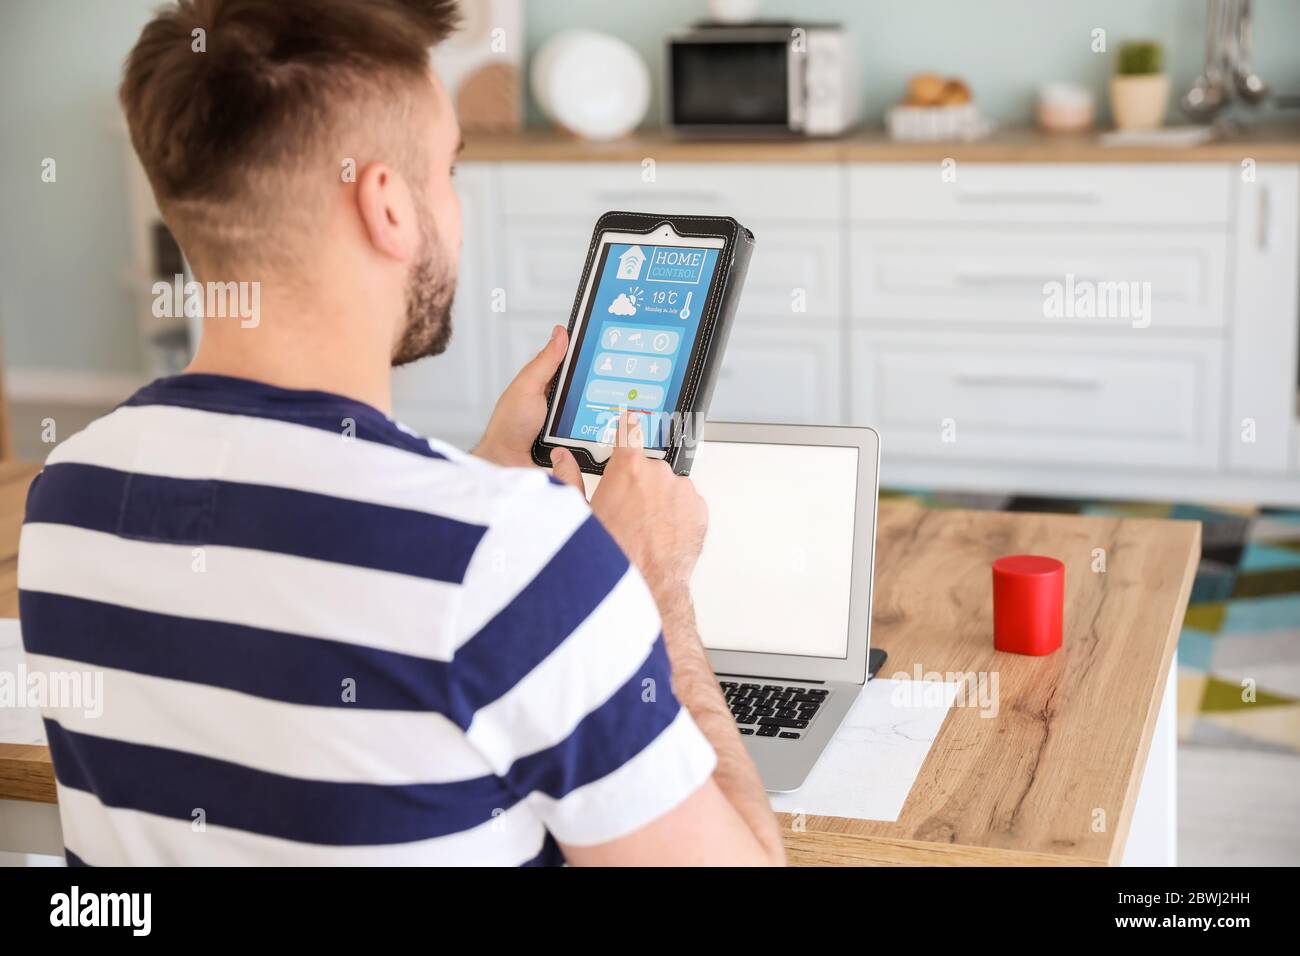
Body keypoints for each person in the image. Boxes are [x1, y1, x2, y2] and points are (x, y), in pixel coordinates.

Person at [18, 0, 784, 866]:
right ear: (386, 204)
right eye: (448, 172)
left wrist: (484, 475)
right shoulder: (522, 564)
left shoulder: (66, 499)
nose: (454, 213)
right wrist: (651, 590)